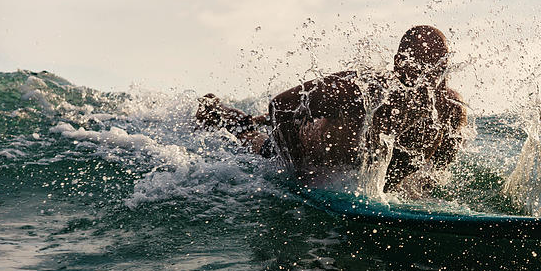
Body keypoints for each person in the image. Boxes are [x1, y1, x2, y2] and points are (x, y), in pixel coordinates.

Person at [196, 25, 468, 193]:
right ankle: (221, 114)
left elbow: (435, 172)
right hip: (311, 151)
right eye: (423, 66)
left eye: (440, 67)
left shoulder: (450, 110)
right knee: (255, 138)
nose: (432, 77)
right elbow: (281, 106)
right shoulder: (362, 88)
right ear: (399, 63)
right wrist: (295, 172)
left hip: (352, 167)